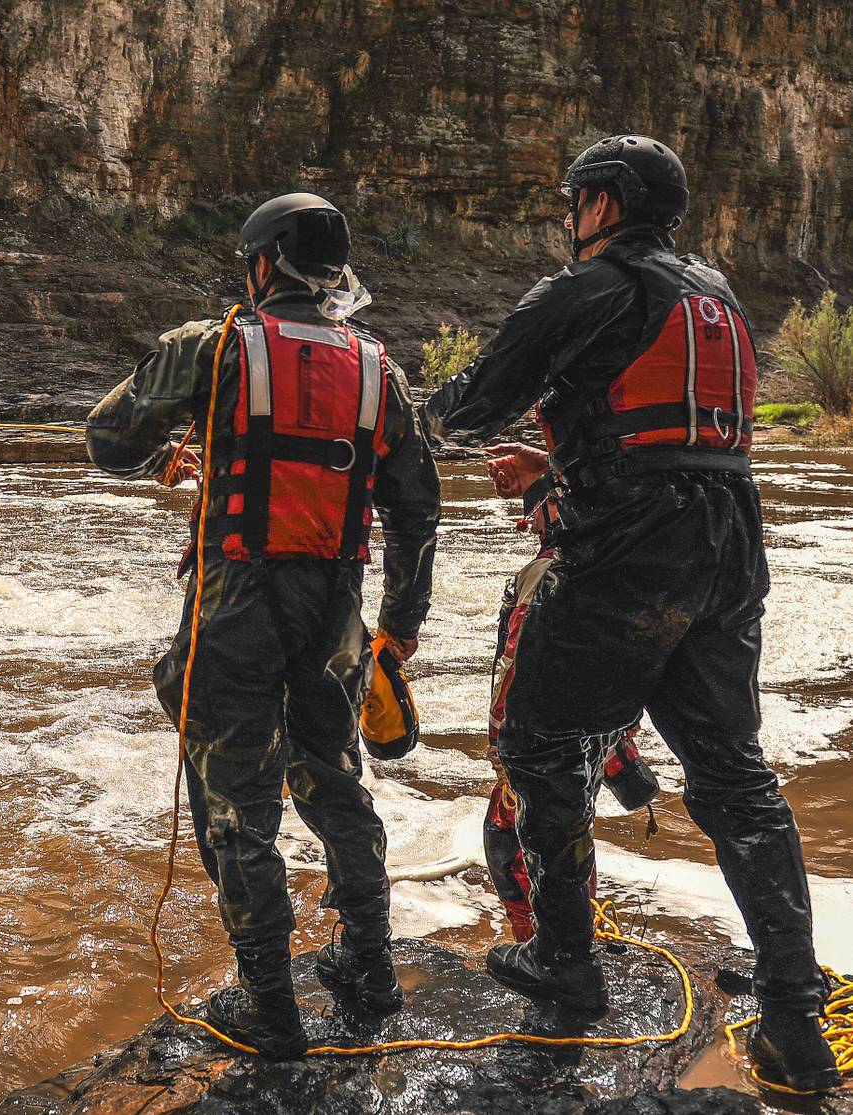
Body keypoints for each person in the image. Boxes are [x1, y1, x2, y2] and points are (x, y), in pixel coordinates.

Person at [422, 135, 839, 1093]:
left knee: (537, 742)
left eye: (574, 202)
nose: (567, 219)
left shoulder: (589, 285)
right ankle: (791, 1011)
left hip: (631, 549)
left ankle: (568, 966)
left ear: (605, 205)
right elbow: (664, 435)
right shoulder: (719, 293)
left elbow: (478, 402)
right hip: (732, 540)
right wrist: (560, 474)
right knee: (734, 773)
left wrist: (415, 408)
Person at [87, 193, 441, 1058]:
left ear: (262, 265)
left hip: (236, 603)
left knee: (239, 803)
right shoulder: (378, 369)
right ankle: (371, 970)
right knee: (335, 780)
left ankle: (271, 1007)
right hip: (336, 610)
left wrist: (165, 452)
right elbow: (418, 510)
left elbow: (106, 437)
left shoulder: (212, 347)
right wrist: (400, 626)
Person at [480, 446, 658, 943]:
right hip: (598, 727)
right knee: (570, 832)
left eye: (535, 518)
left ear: (553, 509)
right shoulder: (624, 559)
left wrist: (500, 742)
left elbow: (516, 660)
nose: (532, 527)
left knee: (510, 840)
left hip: (545, 732)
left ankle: (547, 948)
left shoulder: (547, 572)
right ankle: (577, 939)